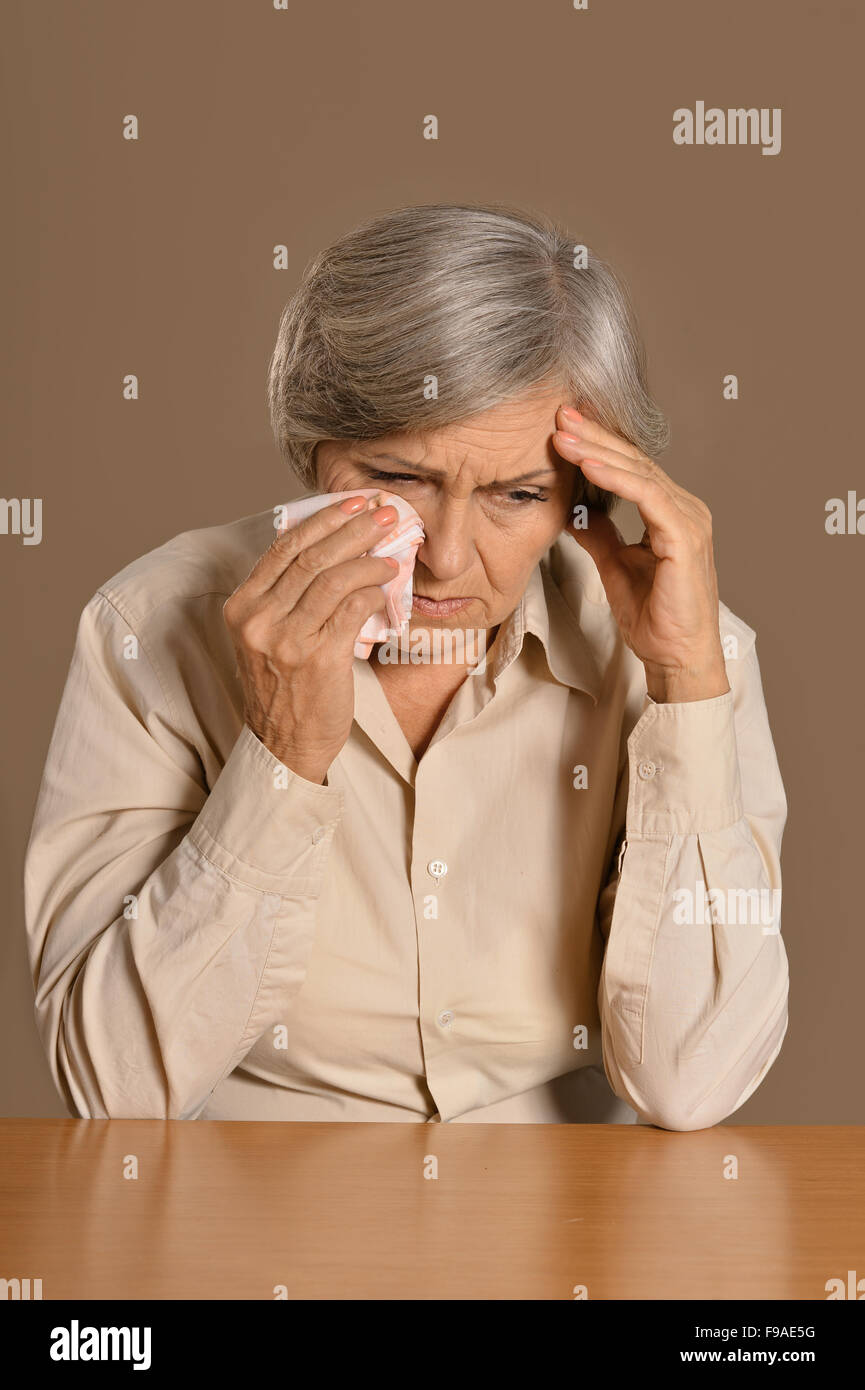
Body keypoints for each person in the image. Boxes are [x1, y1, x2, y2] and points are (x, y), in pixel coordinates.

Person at [24, 202, 788, 1127]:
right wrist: (279, 759)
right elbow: (112, 1092)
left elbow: (691, 1082)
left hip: (566, 1240)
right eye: (398, 479)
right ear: (314, 451)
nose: (447, 556)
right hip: (253, 1231)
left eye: (517, 494)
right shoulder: (147, 627)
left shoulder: (684, 652)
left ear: (584, 499)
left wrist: (686, 689)